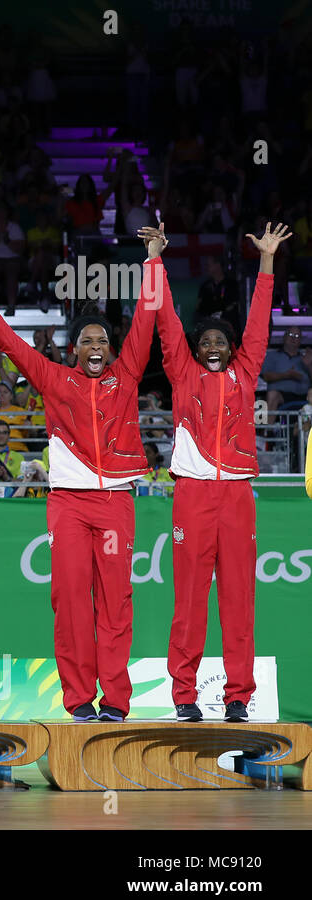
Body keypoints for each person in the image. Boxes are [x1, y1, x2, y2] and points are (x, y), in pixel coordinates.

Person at [0, 239, 158, 722]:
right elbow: (9, 342)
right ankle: (79, 701)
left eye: (103, 341)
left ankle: (115, 701)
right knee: (71, 604)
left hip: (115, 503)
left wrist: (153, 262)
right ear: (75, 349)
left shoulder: (127, 375)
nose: (96, 348)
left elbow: (146, 322)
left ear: (113, 350)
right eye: (87, 341)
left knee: (115, 605)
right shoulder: (55, 379)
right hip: (69, 507)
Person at [151, 222, 291, 722]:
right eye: (205, 340)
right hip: (191, 495)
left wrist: (267, 262)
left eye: (220, 341)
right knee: (189, 602)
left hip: (236, 497)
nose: (213, 345)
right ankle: (184, 696)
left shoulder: (246, 371)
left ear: (233, 350)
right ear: (195, 348)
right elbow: (166, 320)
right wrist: (154, 260)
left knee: (238, 601)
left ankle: (238, 697)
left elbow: (259, 325)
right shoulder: (182, 373)